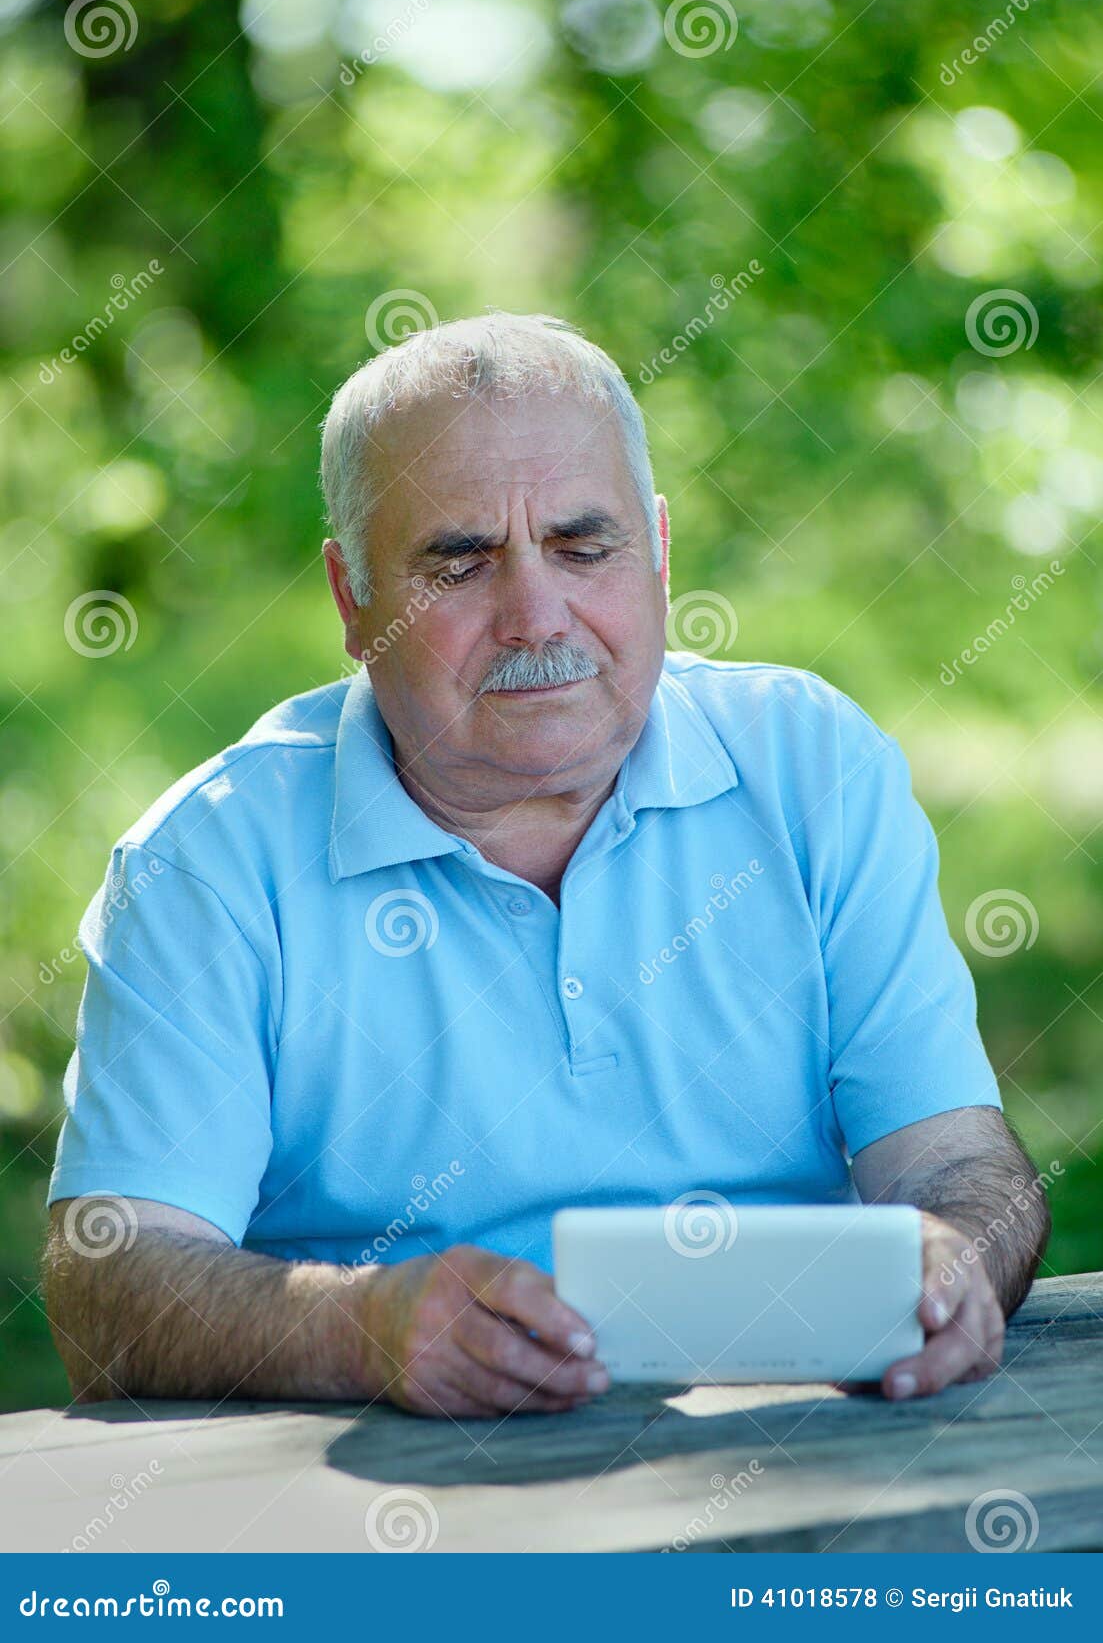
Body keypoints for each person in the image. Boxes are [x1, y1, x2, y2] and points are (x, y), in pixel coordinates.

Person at [44, 313, 1049, 1419]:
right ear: (352, 599)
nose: (534, 617)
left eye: (582, 548)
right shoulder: (209, 861)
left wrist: (956, 1262)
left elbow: (955, 1164)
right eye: (460, 563)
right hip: (396, 1481)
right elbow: (110, 1282)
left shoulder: (814, 768)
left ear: (657, 553)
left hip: (795, 1445)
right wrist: (359, 1328)